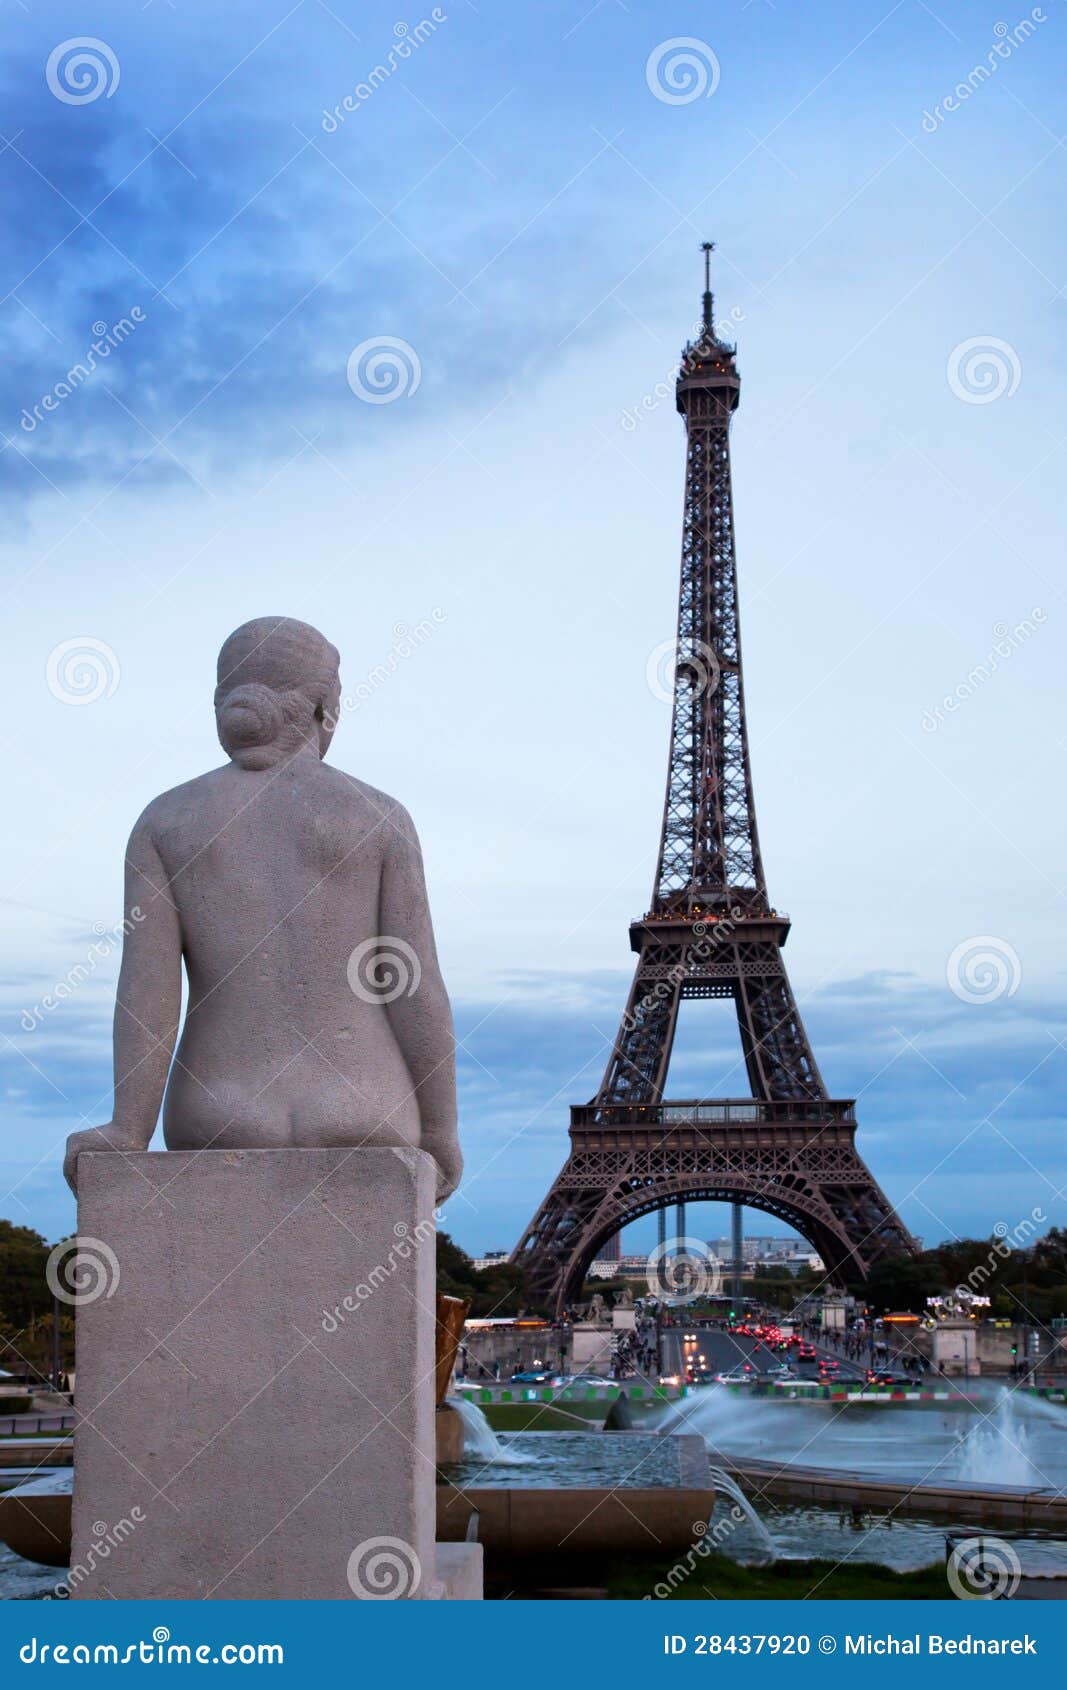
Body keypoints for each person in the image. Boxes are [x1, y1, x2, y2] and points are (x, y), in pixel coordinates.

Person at [64, 617, 461, 1201]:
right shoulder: (377, 815)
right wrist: (442, 1129)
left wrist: (129, 1128)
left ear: (223, 701)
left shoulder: (165, 821)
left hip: (215, 1109)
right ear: (326, 705)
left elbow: (148, 990)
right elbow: (415, 987)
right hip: (366, 1103)